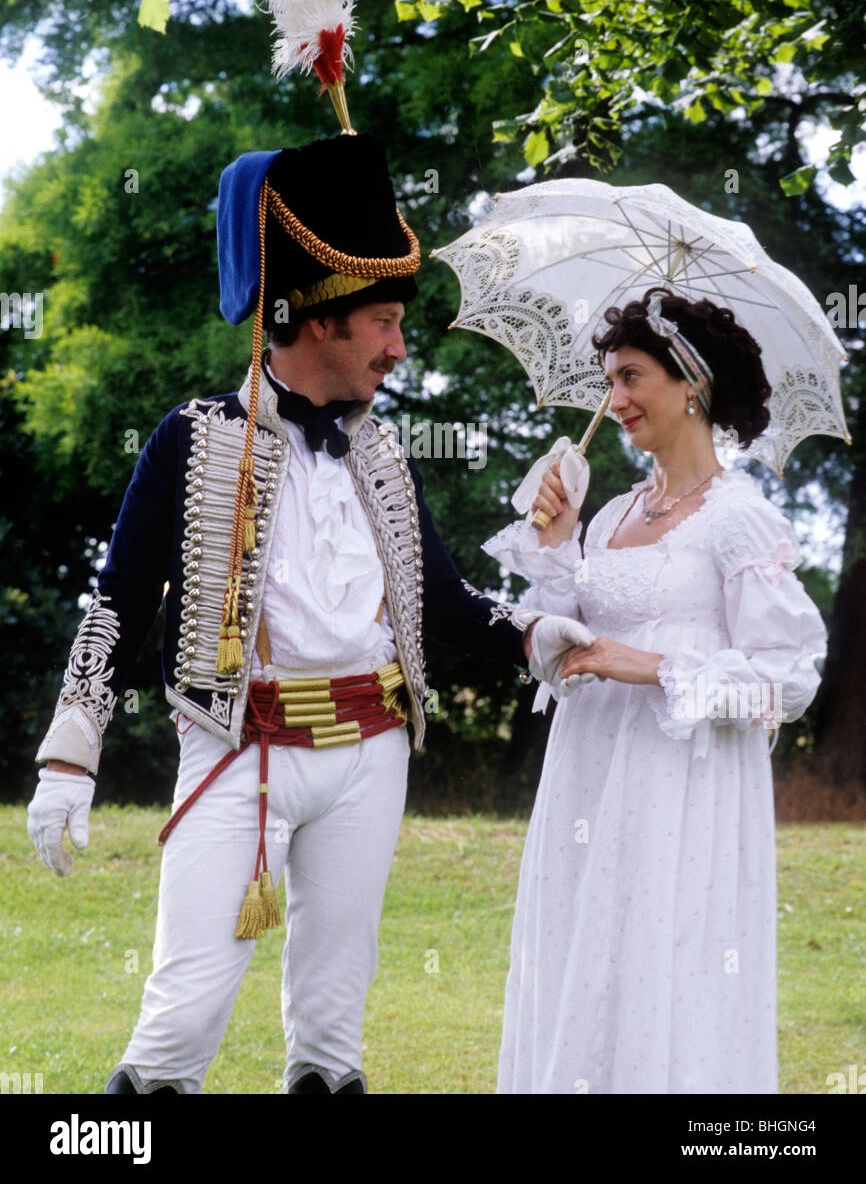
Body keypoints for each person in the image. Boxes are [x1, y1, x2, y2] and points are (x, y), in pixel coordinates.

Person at [26, 132, 580, 1095]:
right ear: (320, 321)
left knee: (332, 1035)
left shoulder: (387, 454)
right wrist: (72, 753)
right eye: (384, 320)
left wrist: (530, 633)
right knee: (179, 1020)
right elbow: (116, 600)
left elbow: (441, 602)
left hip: (371, 752)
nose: (401, 345)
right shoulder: (194, 439)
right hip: (241, 747)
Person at [484, 286, 827, 1095]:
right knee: (585, 951)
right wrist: (559, 543)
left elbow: (787, 678)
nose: (616, 400)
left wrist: (655, 666)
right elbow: (558, 649)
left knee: (665, 956)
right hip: (590, 779)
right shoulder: (608, 517)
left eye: (631, 377)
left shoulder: (739, 520)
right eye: (610, 380)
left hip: (684, 793)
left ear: (691, 384)